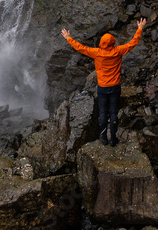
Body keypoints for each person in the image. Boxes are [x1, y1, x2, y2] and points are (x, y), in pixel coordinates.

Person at [61, 18, 146, 146]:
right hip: (115, 87)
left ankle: (103, 137)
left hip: (102, 88)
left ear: (101, 43)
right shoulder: (118, 51)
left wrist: (68, 37)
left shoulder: (96, 53)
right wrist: (139, 29)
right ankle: (112, 138)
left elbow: (80, 47)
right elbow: (133, 43)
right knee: (113, 114)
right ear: (113, 42)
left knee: (102, 113)